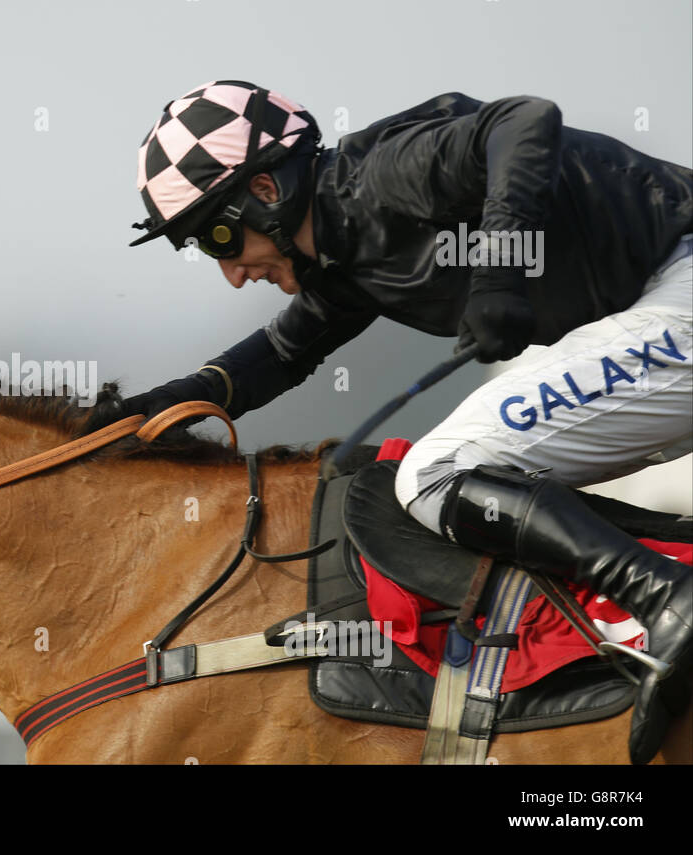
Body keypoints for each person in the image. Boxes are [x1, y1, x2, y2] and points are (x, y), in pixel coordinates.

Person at [120, 80, 692, 764]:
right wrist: (179, 398)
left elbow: (523, 119)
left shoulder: (379, 179)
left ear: (267, 192)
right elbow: (283, 351)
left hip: (678, 285)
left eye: (217, 235)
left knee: (435, 470)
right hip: (666, 305)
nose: (231, 273)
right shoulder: (344, 255)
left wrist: (499, 272)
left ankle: (667, 601)